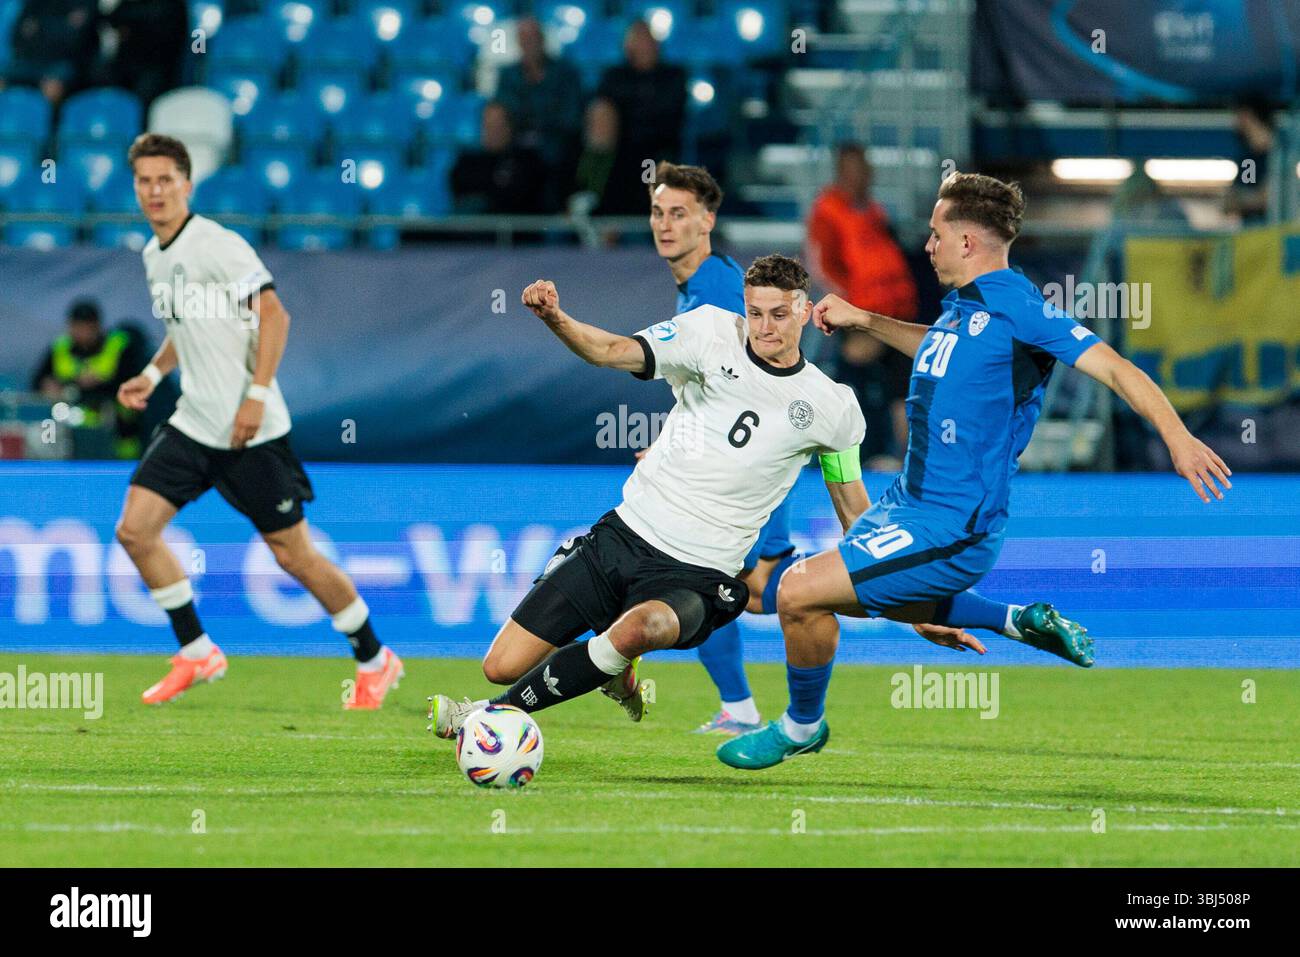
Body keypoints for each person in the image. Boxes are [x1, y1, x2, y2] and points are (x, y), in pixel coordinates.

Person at [718, 172, 1231, 770]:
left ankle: (801, 725)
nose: (927, 246)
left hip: (955, 524)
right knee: (841, 598)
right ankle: (1016, 620)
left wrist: (1179, 438)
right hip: (906, 503)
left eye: (936, 234)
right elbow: (941, 348)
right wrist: (865, 319)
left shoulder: (1021, 309)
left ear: (967, 243)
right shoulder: (963, 311)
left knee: (796, 593)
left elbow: (1116, 369)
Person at [425, 255, 869, 737]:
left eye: (779, 315)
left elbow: (852, 509)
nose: (764, 328)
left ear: (804, 312)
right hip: (625, 534)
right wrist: (557, 317)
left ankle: (484, 716)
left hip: (702, 572)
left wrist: (905, 592)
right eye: (755, 312)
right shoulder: (710, 332)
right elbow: (611, 351)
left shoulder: (832, 406)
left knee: (639, 629)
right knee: (503, 663)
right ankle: (609, 665)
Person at [114, 133, 403, 708]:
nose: (154, 191)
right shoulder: (154, 255)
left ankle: (374, 657)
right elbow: (185, 325)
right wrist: (151, 373)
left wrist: (256, 394)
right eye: (145, 181)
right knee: (135, 530)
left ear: (186, 185)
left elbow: (274, 314)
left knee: (293, 554)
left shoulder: (218, 245)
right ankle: (196, 652)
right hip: (196, 421)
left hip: (252, 430)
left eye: (165, 180)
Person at [644, 161, 804, 735]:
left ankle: (921, 604)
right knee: (751, 590)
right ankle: (739, 708)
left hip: (747, 469)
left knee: (736, 587)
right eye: (659, 212)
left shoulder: (715, 289)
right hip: (740, 465)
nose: (666, 224)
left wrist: (677, 445)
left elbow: (751, 388)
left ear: (707, 220)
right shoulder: (702, 286)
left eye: (679, 213)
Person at [807, 144, 919, 463]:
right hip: (860, 317)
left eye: (865, 168)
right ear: (842, 171)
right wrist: (851, 307)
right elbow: (823, 264)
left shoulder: (873, 210)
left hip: (895, 312)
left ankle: (906, 461)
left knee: (904, 389)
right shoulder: (828, 210)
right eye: (853, 169)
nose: (862, 176)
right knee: (853, 387)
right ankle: (847, 458)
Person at [32, 298, 150, 458]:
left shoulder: (118, 344)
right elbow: (38, 380)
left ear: (97, 326)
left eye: (87, 328)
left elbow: (133, 381)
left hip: (114, 424)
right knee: (43, 436)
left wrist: (99, 382)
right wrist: (49, 386)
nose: (82, 333)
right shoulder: (60, 346)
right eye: (77, 328)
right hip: (68, 422)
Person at [593, 20, 686, 215]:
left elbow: (667, 115)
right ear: (627, 46)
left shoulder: (673, 76)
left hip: (656, 149)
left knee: (649, 172)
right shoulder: (615, 76)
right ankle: (593, 204)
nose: (643, 46)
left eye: (647, 41)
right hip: (619, 149)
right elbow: (605, 108)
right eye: (637, 41)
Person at [495, 15, 582, 200]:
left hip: (557, 150)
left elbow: (570, 118)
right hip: (517, 151)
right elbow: (505, 113)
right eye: (524, 39)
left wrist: (533, 121)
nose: (530, 44)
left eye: (533, 38)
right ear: (518, 42)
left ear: (542, 39)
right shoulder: (508, 75)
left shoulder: (565, 73)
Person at [449, 101, 547, 215]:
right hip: (476, 227)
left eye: (497, 125)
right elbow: (459, 188)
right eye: (488, 125)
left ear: (509, 127)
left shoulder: (528, 161)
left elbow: (518, 196)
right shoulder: (467, 161)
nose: (492, 132)